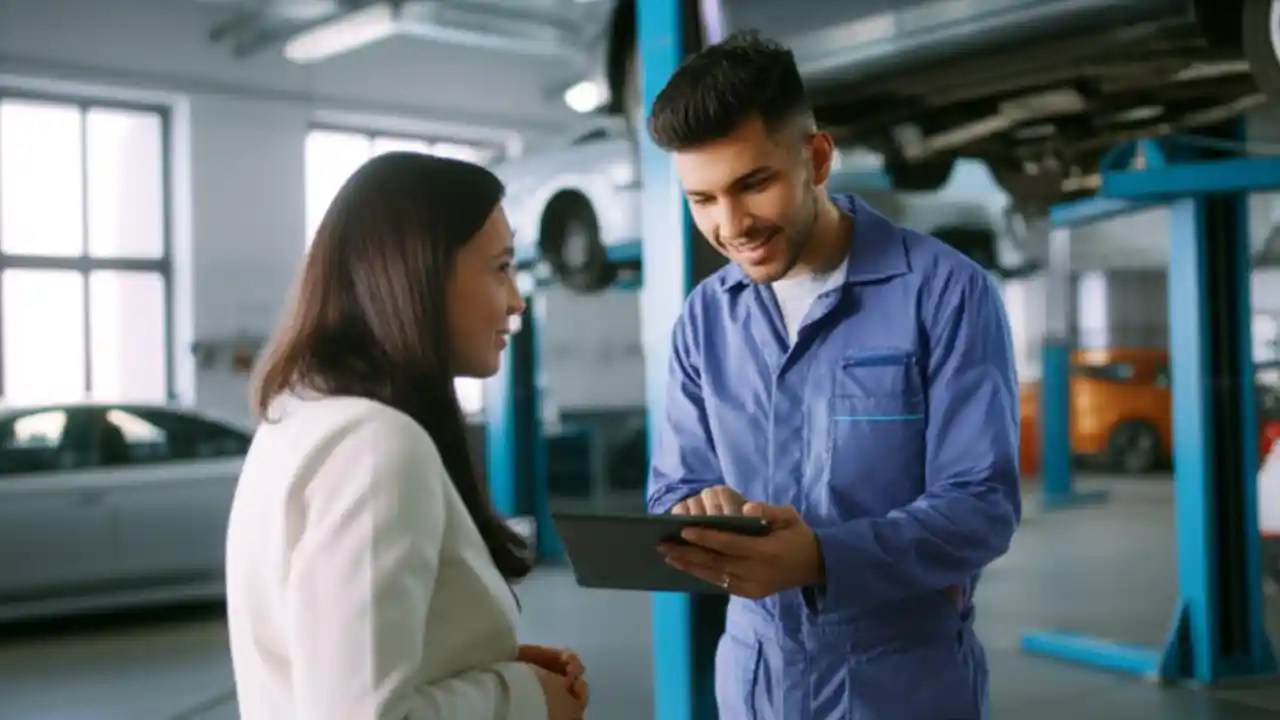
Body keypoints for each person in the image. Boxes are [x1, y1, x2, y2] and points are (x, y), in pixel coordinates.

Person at [646, 32, 1021, 719]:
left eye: (754, 184)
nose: (732, 226)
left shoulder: (944, 293)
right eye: (703, 199)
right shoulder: (705, 319)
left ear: (816, 157)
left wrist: (822, 557)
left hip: (901, 682)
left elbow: (982, 507)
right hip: (753, 680)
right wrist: (698, 514)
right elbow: (675, 486)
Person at [224, 152, 589, 720]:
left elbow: (331, 666)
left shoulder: (304, 418)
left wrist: (488, 662)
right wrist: (521, 698)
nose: (516, 301)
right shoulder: (376, 447)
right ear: (420, 274)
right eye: (500, 267)